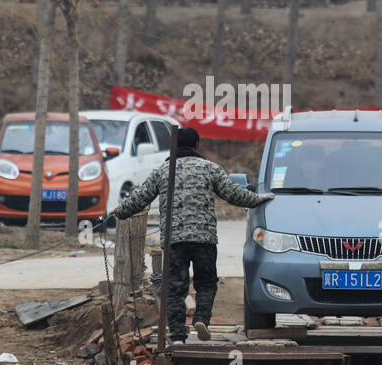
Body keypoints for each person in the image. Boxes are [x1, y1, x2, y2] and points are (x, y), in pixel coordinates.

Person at [104, 126, 273, 344]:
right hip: (204, 239)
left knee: (175, 287)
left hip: (174, 241)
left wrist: (119, 211)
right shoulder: (210, 168)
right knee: (207, 283)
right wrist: (259, 198)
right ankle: (201, 318)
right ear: (197, 145)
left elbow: (140, 198)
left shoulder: (162, 171)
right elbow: (234, 195)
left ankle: (176, 337)